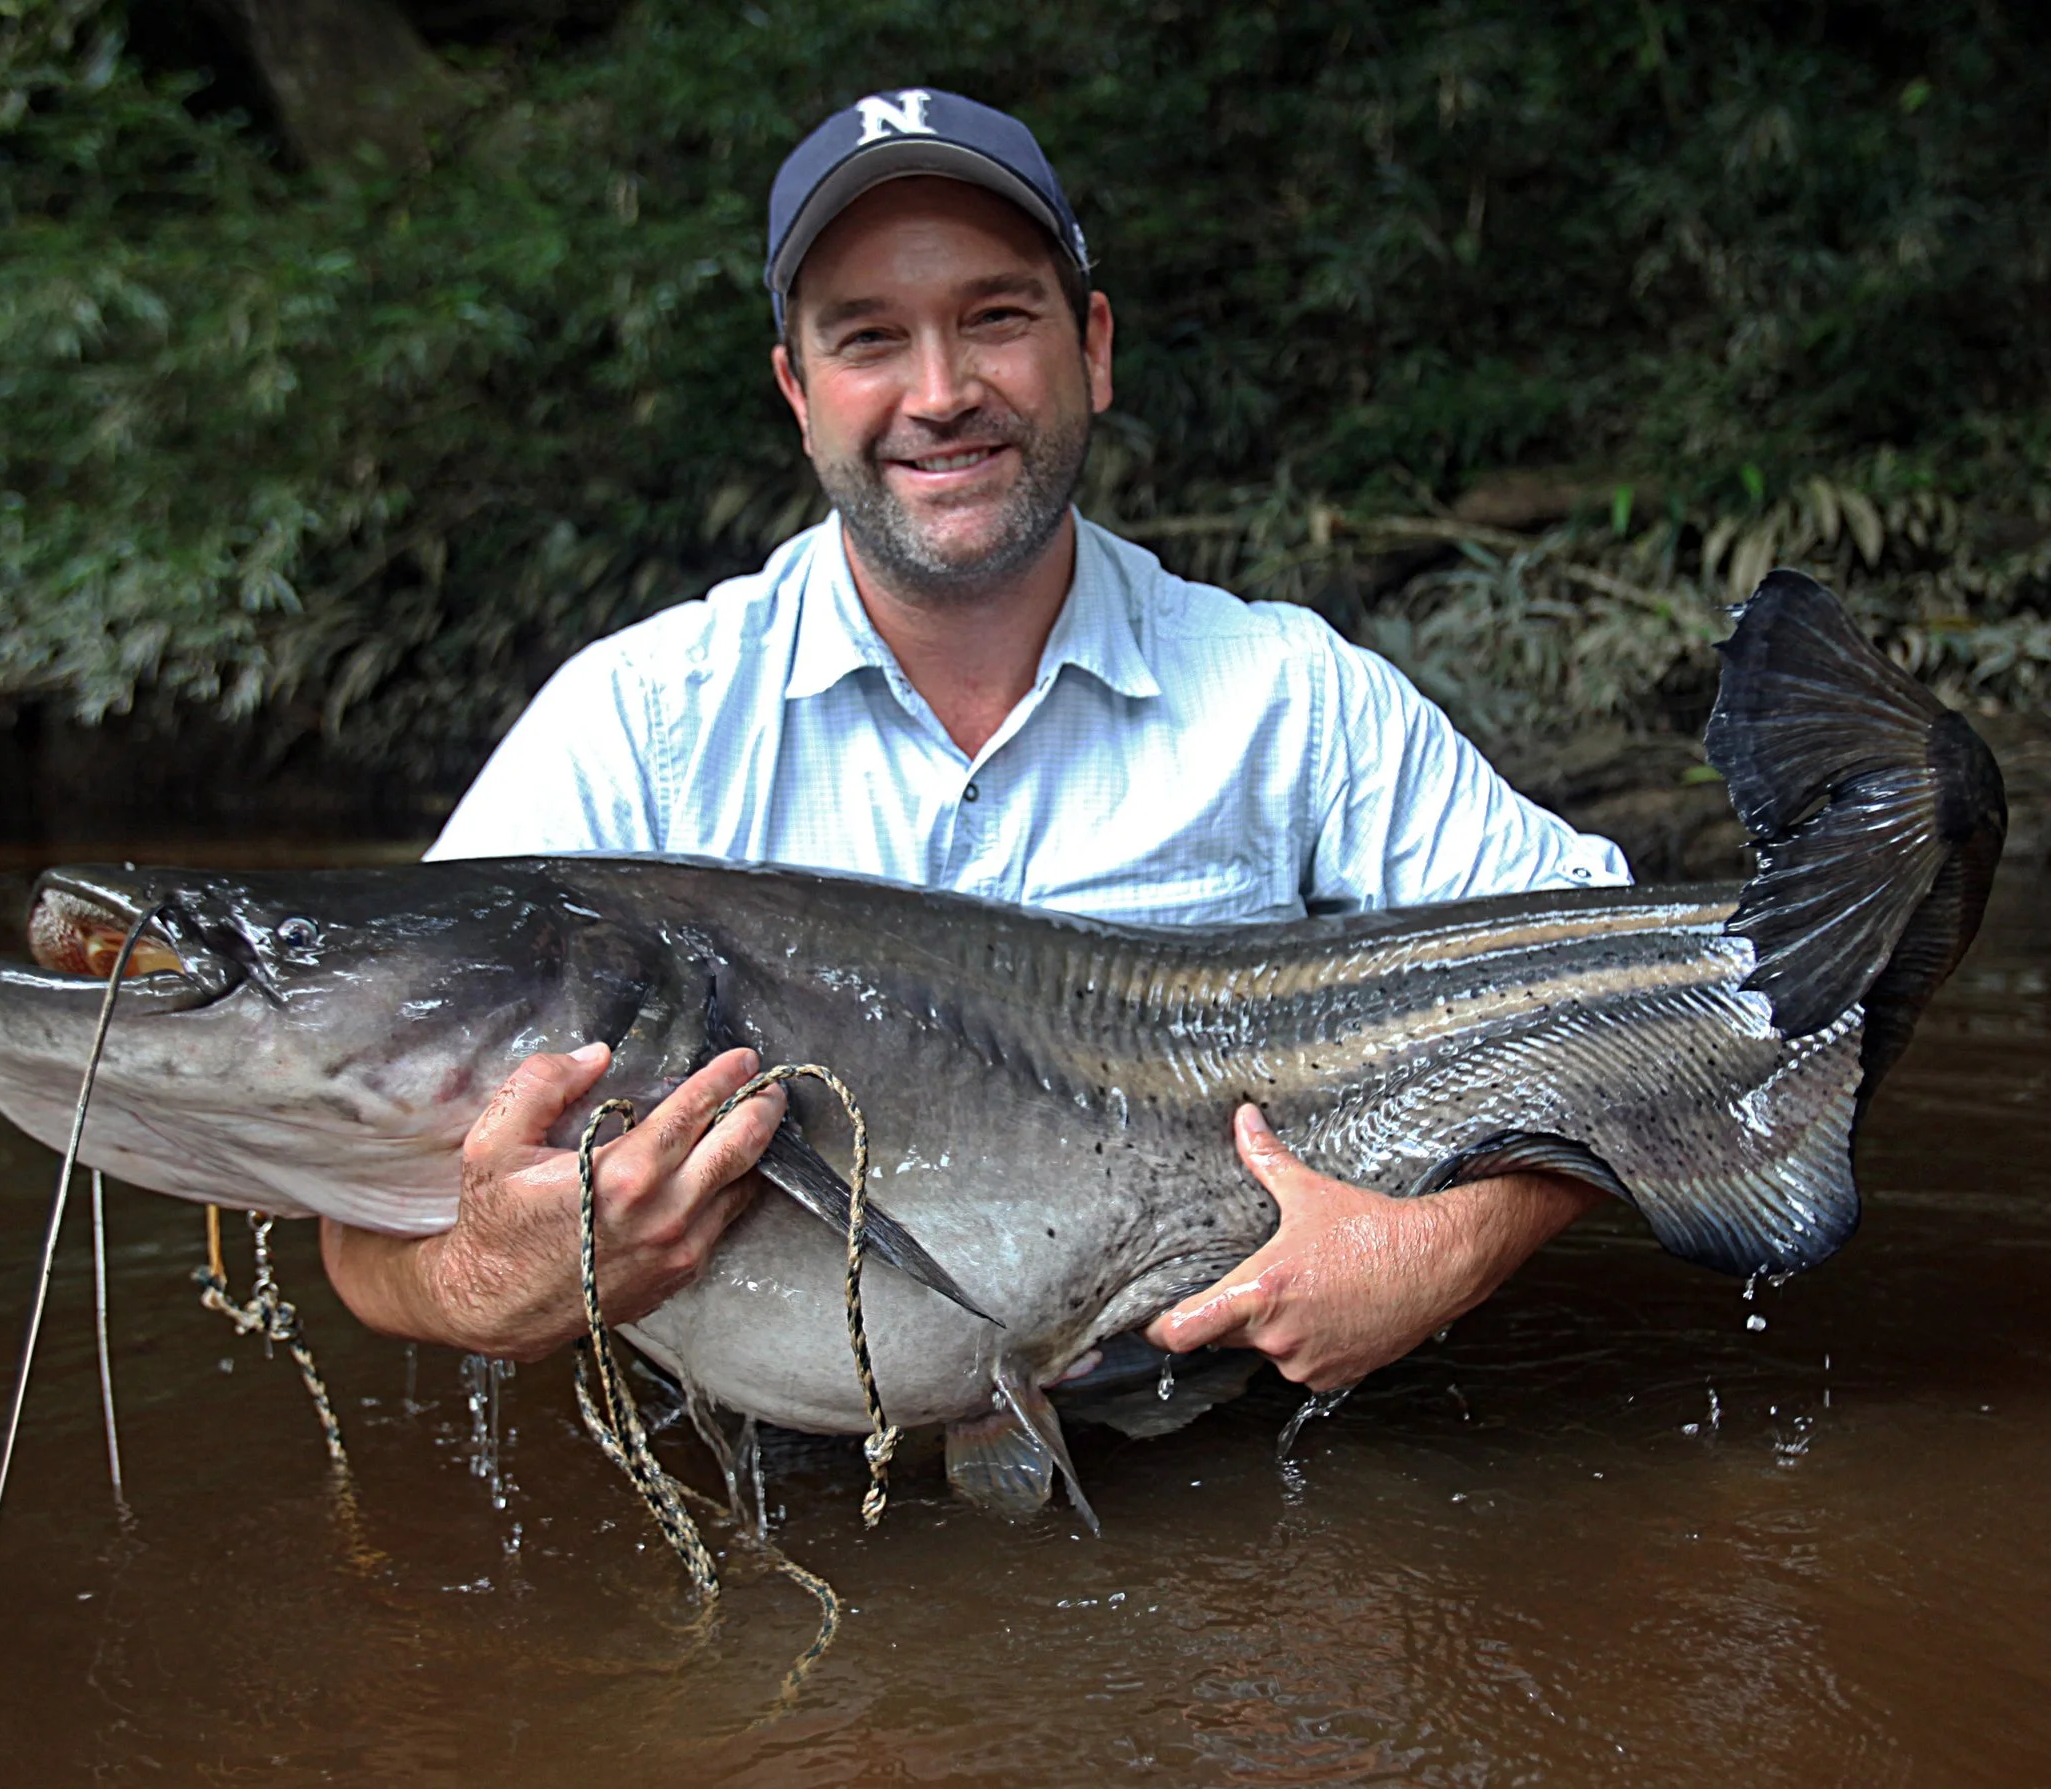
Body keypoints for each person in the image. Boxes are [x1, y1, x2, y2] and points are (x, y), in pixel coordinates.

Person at [319, 89, 1628, 1392]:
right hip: (778, 1489)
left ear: (1094, 348)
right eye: (868, 338)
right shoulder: (637, 727)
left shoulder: (1294, 702)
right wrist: (485, 1285)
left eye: (996, 317)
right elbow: (360, 1223)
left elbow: (1644, 1007)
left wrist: (1448, 1246)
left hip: (1226, 1442)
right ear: (798, 391)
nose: (940, 394)